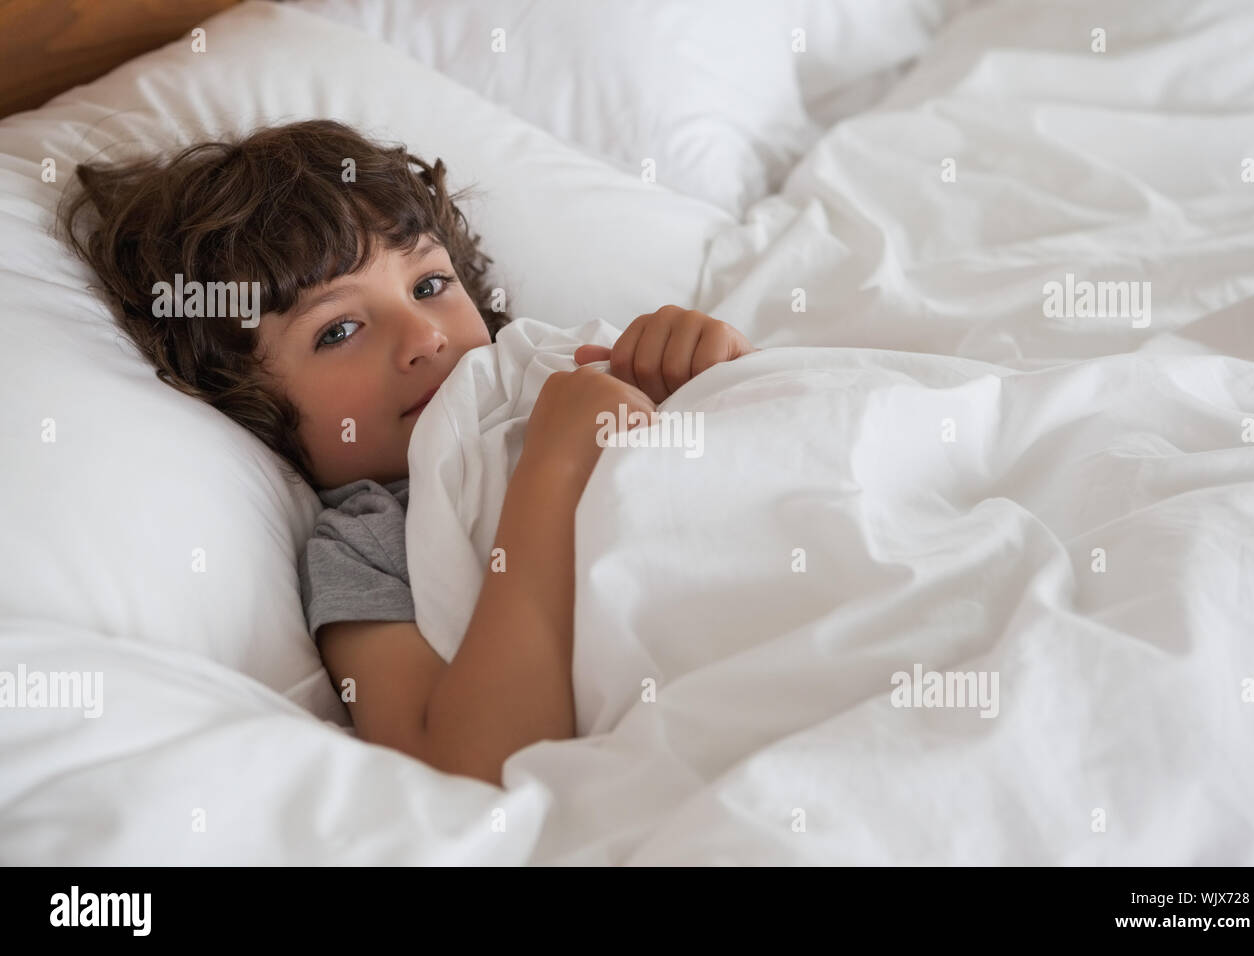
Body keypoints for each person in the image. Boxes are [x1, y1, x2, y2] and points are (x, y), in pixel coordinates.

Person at [59, 119, 755, 786]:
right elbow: (465, 767)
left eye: (428, 285)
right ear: (248, 405)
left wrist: (717, 370)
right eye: (337, 331)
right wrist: (558, 464)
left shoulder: (568, 361)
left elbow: (785, 456)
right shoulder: (364, 546)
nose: (423, 334)